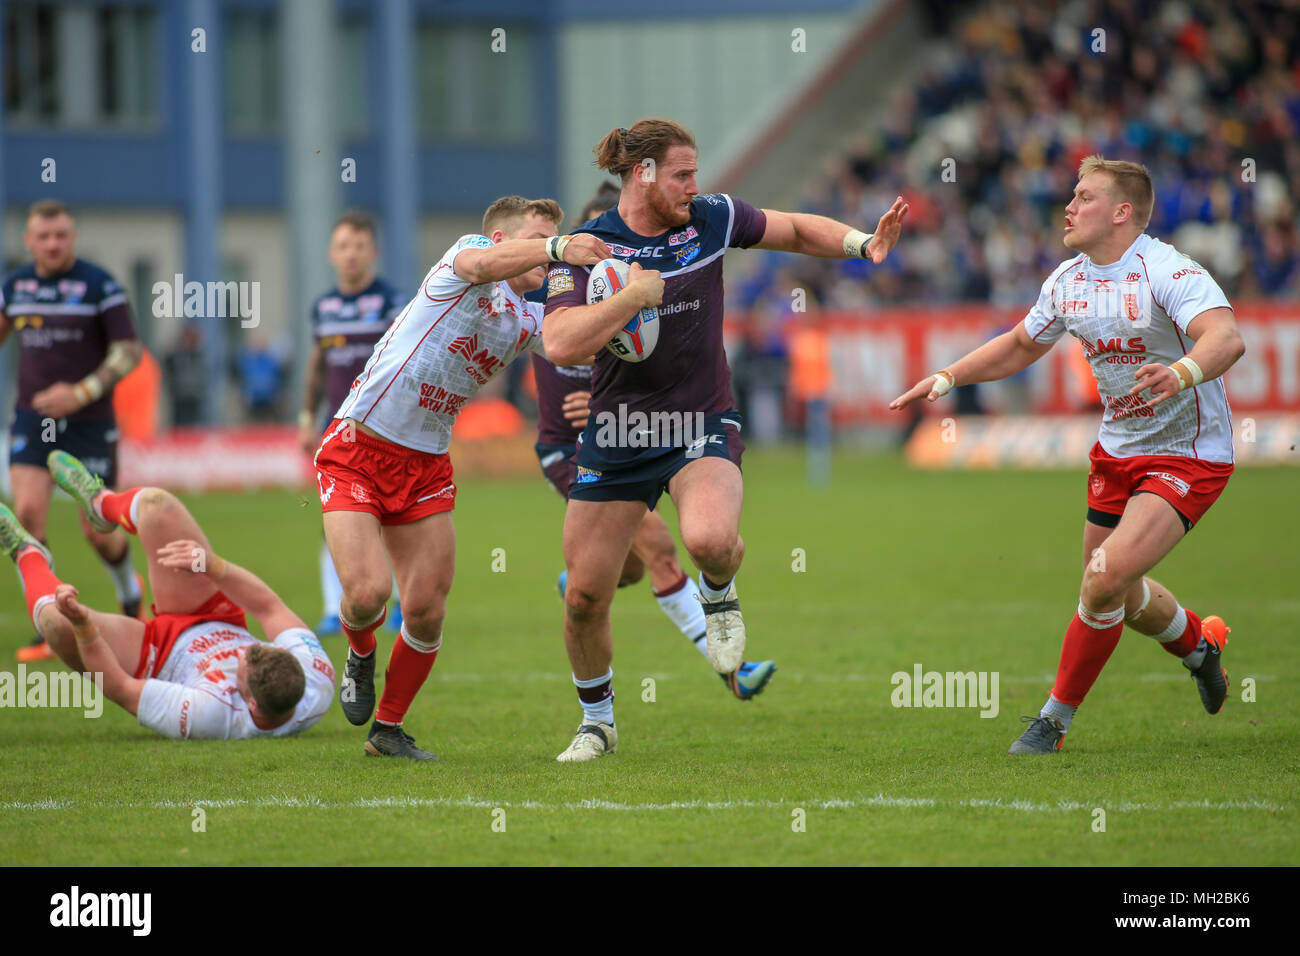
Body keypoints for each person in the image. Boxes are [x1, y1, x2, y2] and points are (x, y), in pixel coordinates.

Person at [541, 118, 907, 761]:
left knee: (710, 540)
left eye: (695, 172)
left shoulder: (710, 219)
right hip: (618, 432)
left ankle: (717, 592)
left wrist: (860, 243)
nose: (694, 185)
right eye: (682, 174)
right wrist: (632, 299)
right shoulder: (585, 248)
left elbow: (792, 228)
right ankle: (597, 722)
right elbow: (561, 342)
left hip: (699, 421)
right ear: (642, 173)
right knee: (584, 596)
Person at [890, 156, 1243, 754]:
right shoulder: (1068, 280)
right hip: (1116, 451)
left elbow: (1226, 338)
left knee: (1103, 581)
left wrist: (1181, 372)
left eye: (1084, 197)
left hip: (1187, 454)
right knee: (1114, 592)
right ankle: (1199, 646)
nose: (1069, 208)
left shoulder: (1168, 270)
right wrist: (947, 378)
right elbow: (1023, 344)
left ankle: (1051, 722)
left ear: (1122, 212)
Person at [316, 195, 611, 760]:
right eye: (539, 243)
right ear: (503, 240)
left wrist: (632, 312)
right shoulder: (468, 257)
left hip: (426, 464)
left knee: (426, 608)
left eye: (555, 246)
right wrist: (559, 244)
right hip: (359, 445)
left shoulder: (532, 315)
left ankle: (388, 731)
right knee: (367, 594)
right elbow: (481, 268)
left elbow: (575, 346)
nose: (550, 260)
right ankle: (359, 653)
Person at [535, 182, 777, 700]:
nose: (627, 256)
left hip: (666, 434)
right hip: (582, 448)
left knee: (633, 568)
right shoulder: (572, 295)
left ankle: (584, 581)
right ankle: (732, 674)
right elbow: (566, 377)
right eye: (614, 245)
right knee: (656, 556)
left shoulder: (661, 272)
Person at [0, 451, 333, 739]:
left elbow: (119, 688)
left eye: (240, 667)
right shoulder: (316, 680)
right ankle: (102, 505)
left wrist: (84, 627)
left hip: (156, 656)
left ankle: (28, 554)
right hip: (210, 611)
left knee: (57, 625)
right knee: (157, 505)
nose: (239, 657)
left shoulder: (212, 716)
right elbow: (267, 606)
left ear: (252, 705)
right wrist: (211, 565)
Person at [0, 200, 145, 662]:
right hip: (32, 419)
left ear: (73, 236)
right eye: (43, 236)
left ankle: (130, 592)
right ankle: (51, 622)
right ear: (28, 241)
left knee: (98, 531)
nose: (53, 243)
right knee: (26, 514)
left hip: (88, 421)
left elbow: (129, 352)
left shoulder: (99, 286)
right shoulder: (15, 286)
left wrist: (80, 392)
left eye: (61, 235)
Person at [297, 212, 406, 636]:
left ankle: (396, 602)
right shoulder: (323, 308)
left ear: (373, 252)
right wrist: (307, 421)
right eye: (344, 246)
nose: (352, 254)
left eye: (360, 246)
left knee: (390, 515)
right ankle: (331, 606)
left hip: (386, 427)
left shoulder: (392, 303)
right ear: (331, 254)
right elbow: (316, 368)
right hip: (336, 429)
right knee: (334, 516)